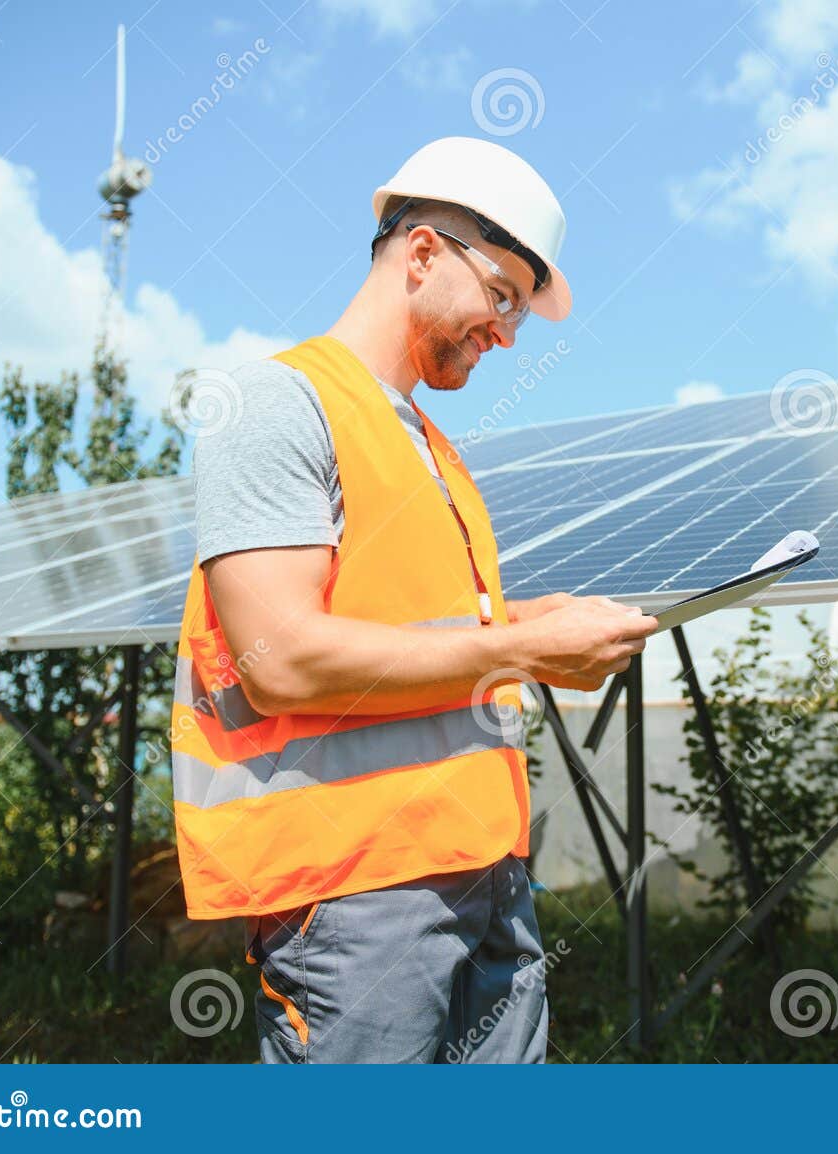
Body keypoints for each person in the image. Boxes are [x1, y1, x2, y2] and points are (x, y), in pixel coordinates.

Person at [169, 136, 659, 1063]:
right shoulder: (279, 402)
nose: (507, 333)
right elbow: (283, 659)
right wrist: (519, 652)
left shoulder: (433, 449)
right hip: (357, 897)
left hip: (485, 874)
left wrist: (527, 621)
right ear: (425, 252)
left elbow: (411, 635)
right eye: (503, 296)